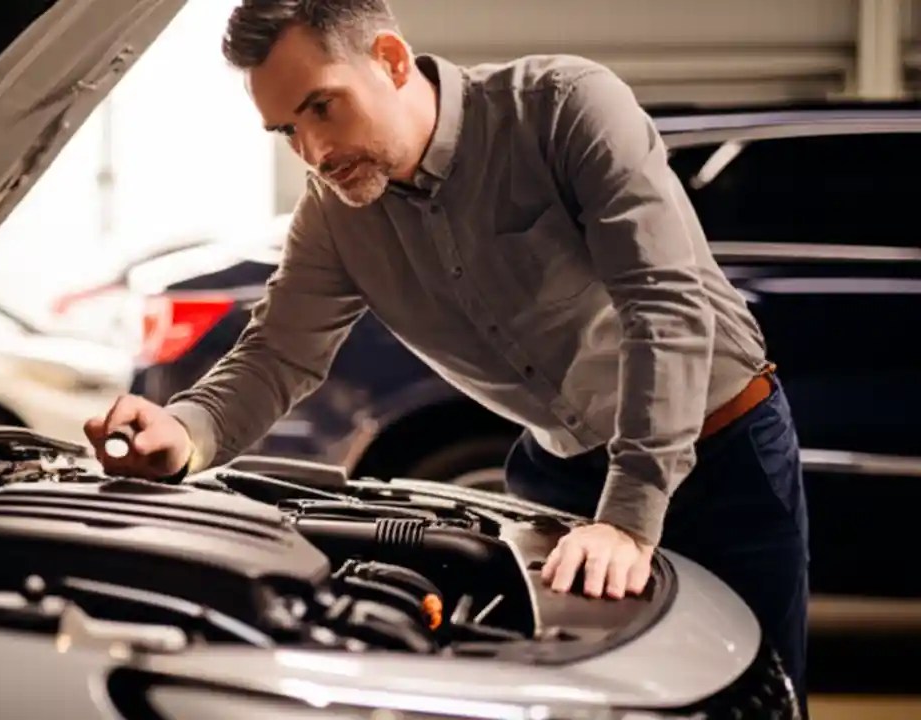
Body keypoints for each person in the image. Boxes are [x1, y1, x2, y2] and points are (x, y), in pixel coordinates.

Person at [85, 0, 809, 707]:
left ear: (392, 60)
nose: (312, 152)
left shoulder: (563, 107)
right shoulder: (335, 215)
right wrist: (184, 431)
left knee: (747, 700)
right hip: (561, 479)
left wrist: (626, 516)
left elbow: (663, 299)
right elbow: (278, 351)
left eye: (322, 108)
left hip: (722, 462)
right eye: (286, 131)